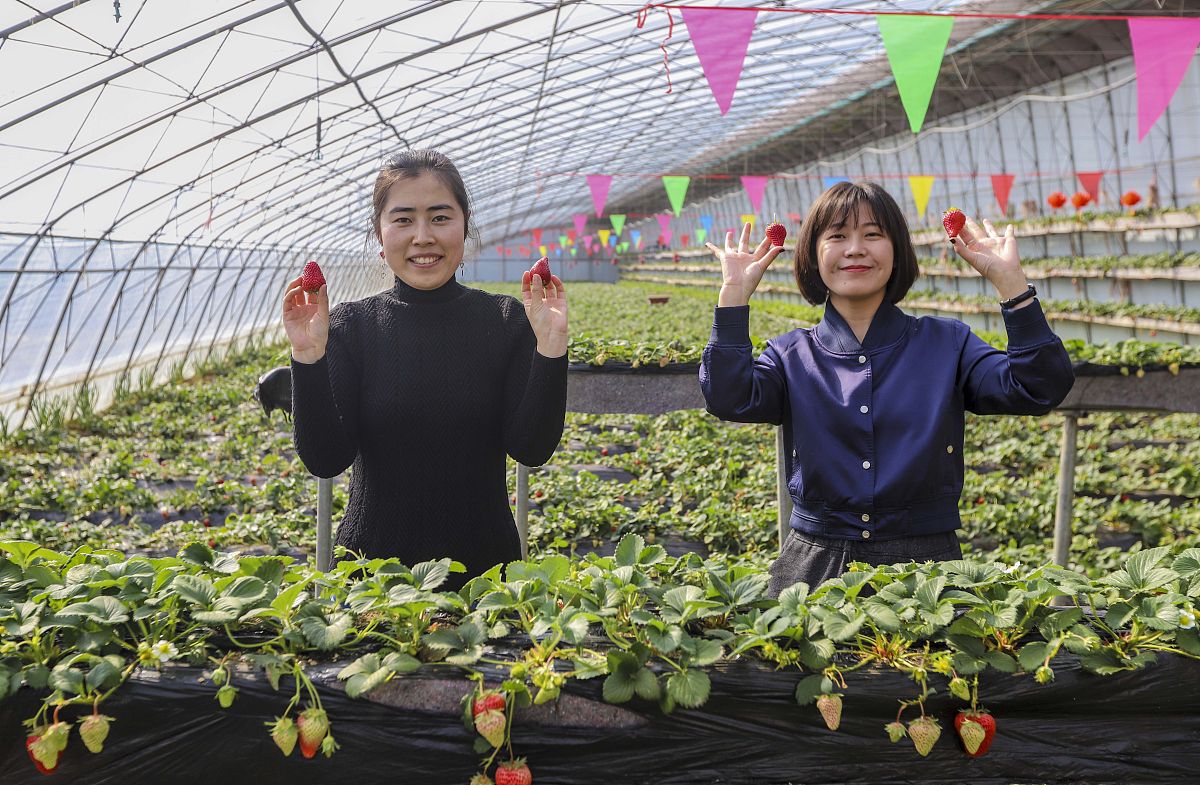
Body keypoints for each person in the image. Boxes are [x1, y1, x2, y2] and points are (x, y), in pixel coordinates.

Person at [700, 181, 1074, 597]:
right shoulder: (791, 354)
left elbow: (1037, 388)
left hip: (927, 567)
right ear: (812, 255)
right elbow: (729, 397)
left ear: (897, 252)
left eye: (873, 234)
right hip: (814, 564)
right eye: (837, 236)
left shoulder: (947, 343)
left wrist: (1013, 286)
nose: (855, 248)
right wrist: (733, 298)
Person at [282, 149, 568, 590]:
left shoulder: (506, 320)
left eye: (439, 217)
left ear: (464, 226)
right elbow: (325, 458)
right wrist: (308, 356)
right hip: (372, 580)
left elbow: (532, 448)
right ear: (380, 235)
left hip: (486, 576)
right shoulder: (351, 327)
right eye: (402, 220)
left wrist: (550, 348)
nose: (422, 236)